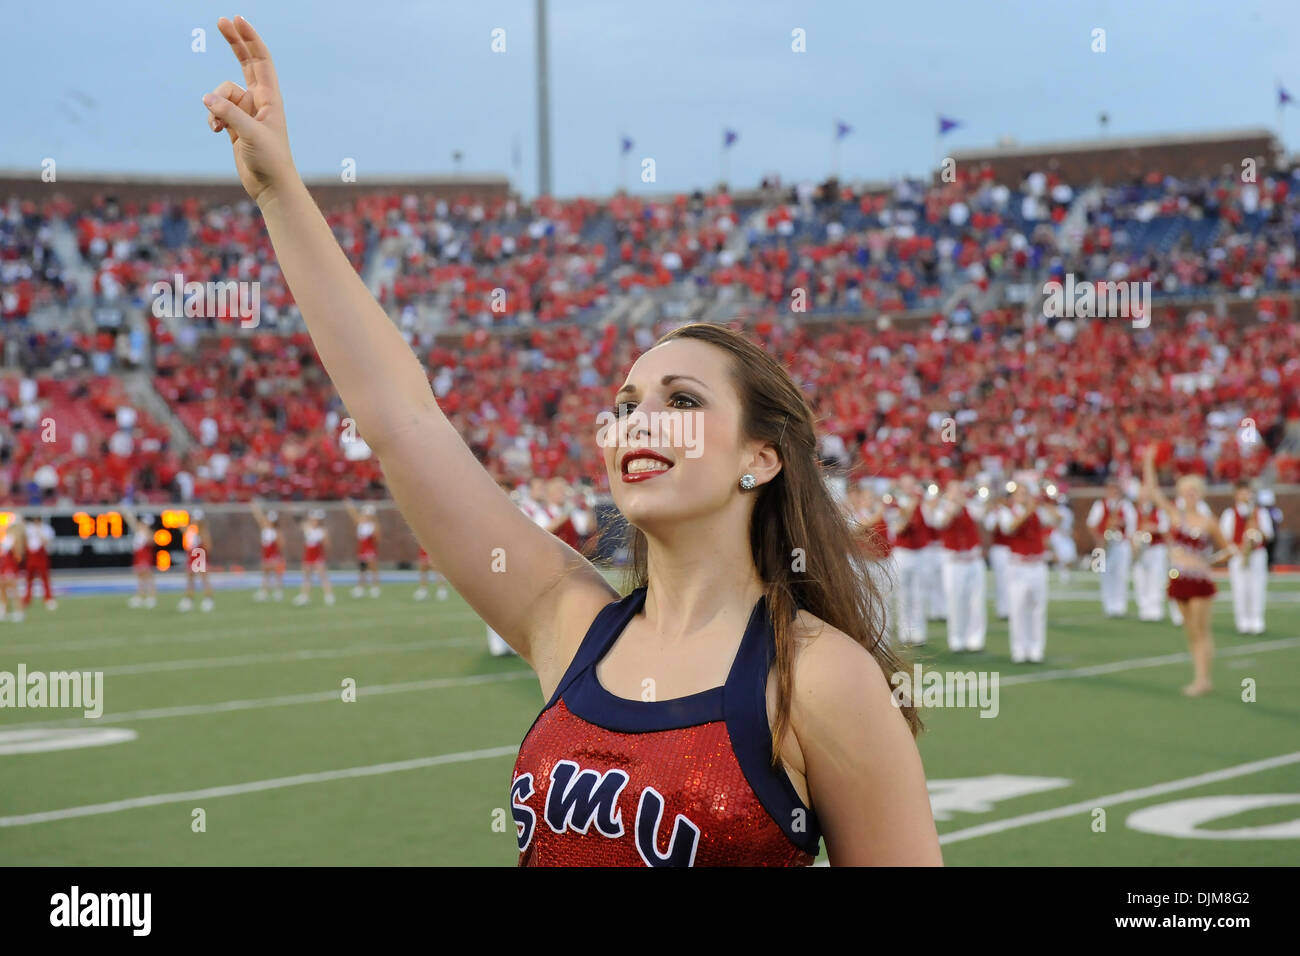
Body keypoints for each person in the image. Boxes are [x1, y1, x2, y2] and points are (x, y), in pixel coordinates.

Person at [200, 17, 941, 865]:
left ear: (761, 457)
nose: (638, 421)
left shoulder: (820, 678)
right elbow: (400, 422)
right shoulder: (569, 620)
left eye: (682, 399)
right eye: (624, 404)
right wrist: (278, 191)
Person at [1141, 447, 1233, 696]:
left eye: (1192, 492)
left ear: (1199, 494)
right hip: (1178, 577)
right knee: (1190, 631)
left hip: (1199, 579)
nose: (1188, 496)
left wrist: (1207, 562)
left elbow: (1227, 550)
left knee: (1200, 630)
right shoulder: (1176, 515)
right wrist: (1149, 461)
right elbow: (1154, 491)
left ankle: (1203, 679)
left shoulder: (1208, 522)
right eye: (1184, 492)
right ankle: (1201, 678)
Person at [998, 480, 1058, 663]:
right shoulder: (1007, 512)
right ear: (1014, 497)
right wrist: (1029, 511)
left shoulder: (1038, 512)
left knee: (1037, 609)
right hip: (1018, 566)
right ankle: (1019, 649)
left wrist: (1047, 502)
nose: (1023, 497)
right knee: (1018, 609)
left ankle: (1035, 648)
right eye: (1020, 493)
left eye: (1026, 493)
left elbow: (1058, 519)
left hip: (1037, 564)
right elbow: (1009, 528)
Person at [924, 480, 986, 653]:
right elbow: (939, 523)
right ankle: (956, 638)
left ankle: (975, 638)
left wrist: (966, 503)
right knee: (955, 600)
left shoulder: (970, 505)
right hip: (953, 561)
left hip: (973, 559)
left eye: (960, 490)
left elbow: (982, 515)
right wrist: (952, 508)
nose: (958, 494)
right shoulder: (942, 507)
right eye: (954, 491)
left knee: (975, 601)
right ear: (947, 492)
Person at [1220, 481, 1273, 635]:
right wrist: (1239, 549)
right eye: (1242, 492)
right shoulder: (1229, 513)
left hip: (1257, 553)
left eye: (1248, 492)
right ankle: (1242, 620)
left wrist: (1256, 532)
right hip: (1238, 554)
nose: (1246, 495)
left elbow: (1268, 534)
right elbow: (1225, 537)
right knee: (1239, 587)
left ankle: (1257, 619)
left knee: (1258, 587)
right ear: (1236, 494)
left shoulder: (1260, 512)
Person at [885, 476, 930, 647]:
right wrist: (910, 507)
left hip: (921, 552)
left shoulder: (922, 502)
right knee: (903, 594)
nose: (910, 488)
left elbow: (932, 521)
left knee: (919, 594)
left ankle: (919, 632)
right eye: (907, 485)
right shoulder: (893, 502)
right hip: (902, 552)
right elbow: (898, 527)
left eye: (912, 485)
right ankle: (905, 631)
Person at [1086, 479, 1136, 618]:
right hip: (1103, 544)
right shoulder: (1099, 504)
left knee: (1121, 575)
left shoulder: (1126, 506)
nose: (1113, 493)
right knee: (1104, 574)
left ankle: (1119, 606)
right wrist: (1099, 539)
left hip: (1121, 544)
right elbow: (1091, 524)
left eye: (1116, 490)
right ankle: (1108, 605)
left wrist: (1121, 523)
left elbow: (1132, 528)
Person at [1131, 487, 1170, 623]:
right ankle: (1143, 607)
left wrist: (1153, 527)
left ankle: (1155, 608)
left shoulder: (1159, 511)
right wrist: (1135, 543)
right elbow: (1131, 531)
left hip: (1156, 548)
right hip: (1141, 549)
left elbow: (1165, 529)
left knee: (1156, 578)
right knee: (1140, 578)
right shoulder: (1134, 511)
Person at [294, 508, 335, 605]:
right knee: (306, 577)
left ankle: (329, 595)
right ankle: (305, 596)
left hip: (318, 557)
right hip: (308, 556)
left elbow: (327, 545)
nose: (315, 521)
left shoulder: (322, 531)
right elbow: (298, 521)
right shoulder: (307, 527)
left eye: (317, 520)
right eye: (314, 519)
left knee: (323, 577)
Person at [178, 508, 215, 612]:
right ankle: (188, 599)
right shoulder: (191, 530)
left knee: (204, 579)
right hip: (192, 556)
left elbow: (208, 547)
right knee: (190, 579)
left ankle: (208, 599)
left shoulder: (203, 532)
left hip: (200, 556)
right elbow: (182, 528)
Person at [345, 500, 382, 598]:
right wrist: (350, 506)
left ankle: (375, 588)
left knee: (373, 568)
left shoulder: (373, 525)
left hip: (370, 550)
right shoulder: (361, 524)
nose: (364, 516)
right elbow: (354, 515)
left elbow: (377, 539)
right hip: (362, 549)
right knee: (362, 569)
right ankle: (361, 588)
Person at [250, 501, 286, 601]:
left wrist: (276, 557)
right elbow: (259, 518)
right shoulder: (265, 529)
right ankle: (265, 592)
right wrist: (255, 508)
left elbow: (281, 545)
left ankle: (278, 592)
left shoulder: (276, 532)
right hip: (266, 556)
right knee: (266, 575)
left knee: (276, 575)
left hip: (274, 557)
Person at [123, 509, 158, 609]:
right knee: (140, 576)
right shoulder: (139, 530)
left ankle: (152, 596)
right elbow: (131, 522)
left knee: (148, 575)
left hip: (145, 554)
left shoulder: (148, 532)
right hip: (139, 555)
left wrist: (146, 532)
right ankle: (141, 595)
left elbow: (152, 542)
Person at [23, 514, 57, 611]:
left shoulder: (46, 529)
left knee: (45, 578)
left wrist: (39, 532)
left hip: (41, 556)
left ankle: (48, 598)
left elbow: (47, 542)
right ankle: (27, 599)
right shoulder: (29, 529)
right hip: (31, 556)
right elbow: (24, 539)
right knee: (29, 579)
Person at [1, 516, 26, 622]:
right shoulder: (7, 535)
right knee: (2, 588)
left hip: (10, 565)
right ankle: (4, 610)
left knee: (13, 589)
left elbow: (19, 554)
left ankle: (20, 612)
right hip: (3, 563)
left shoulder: (17, 537)